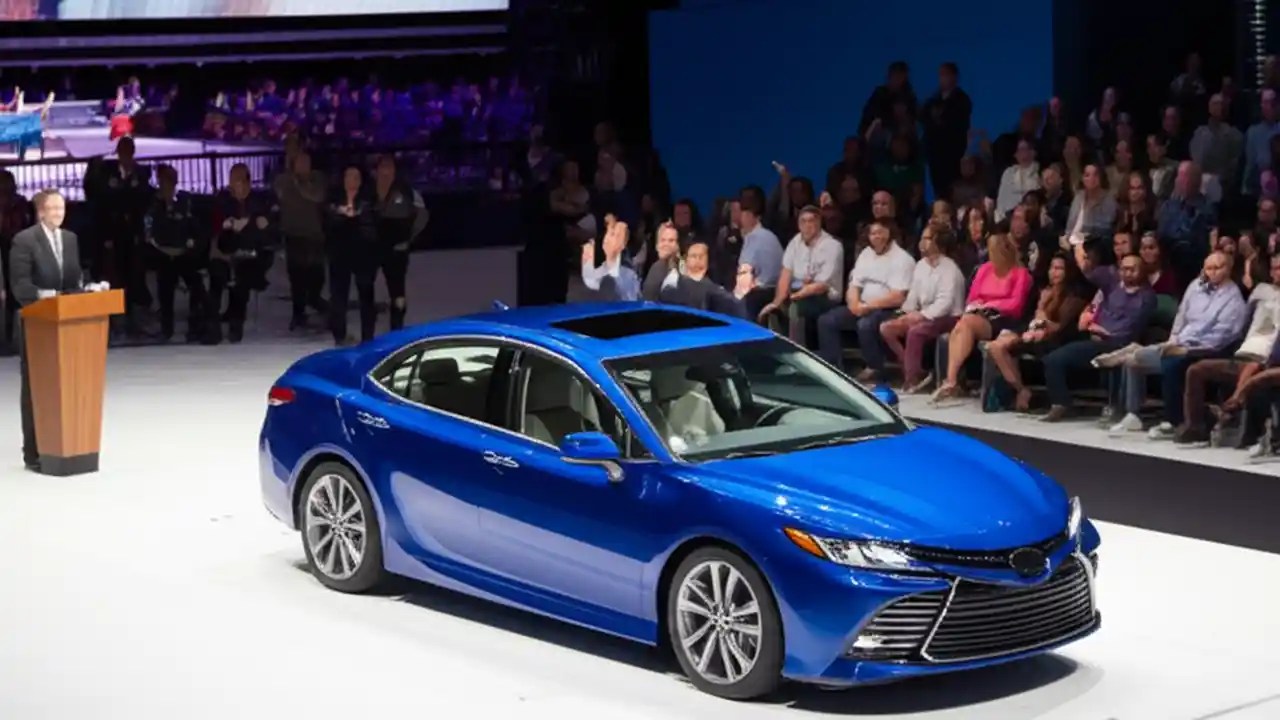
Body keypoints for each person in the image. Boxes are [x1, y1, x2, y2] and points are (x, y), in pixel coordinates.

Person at [10, 189, 83, 472]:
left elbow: (74, 280)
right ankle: (34, 452)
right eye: (52, 208)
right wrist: (48, 295)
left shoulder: (71, 239)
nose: (58, 213)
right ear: (40, 211)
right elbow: (21, 287)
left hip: (66, 324)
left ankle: (69, 444)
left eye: (61, 208)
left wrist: (85, 289)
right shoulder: (24, 240)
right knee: (35, 388)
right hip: (38, 323)